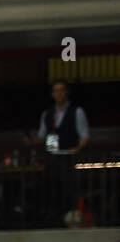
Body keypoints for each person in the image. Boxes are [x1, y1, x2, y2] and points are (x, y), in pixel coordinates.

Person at [32, 79, 89, 224]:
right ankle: (51, 217)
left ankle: (70, 217)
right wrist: (31, 141)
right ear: (52, 94)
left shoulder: (76, 111)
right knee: (51, 189)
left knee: (68, 189)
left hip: (68, 158)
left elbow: (84, 135)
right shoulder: (47, 113)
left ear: (67, 93)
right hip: (52, 158)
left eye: (62, 90)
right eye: (56, 91)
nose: (59, 94)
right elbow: (42, 135)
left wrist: (77, 148)